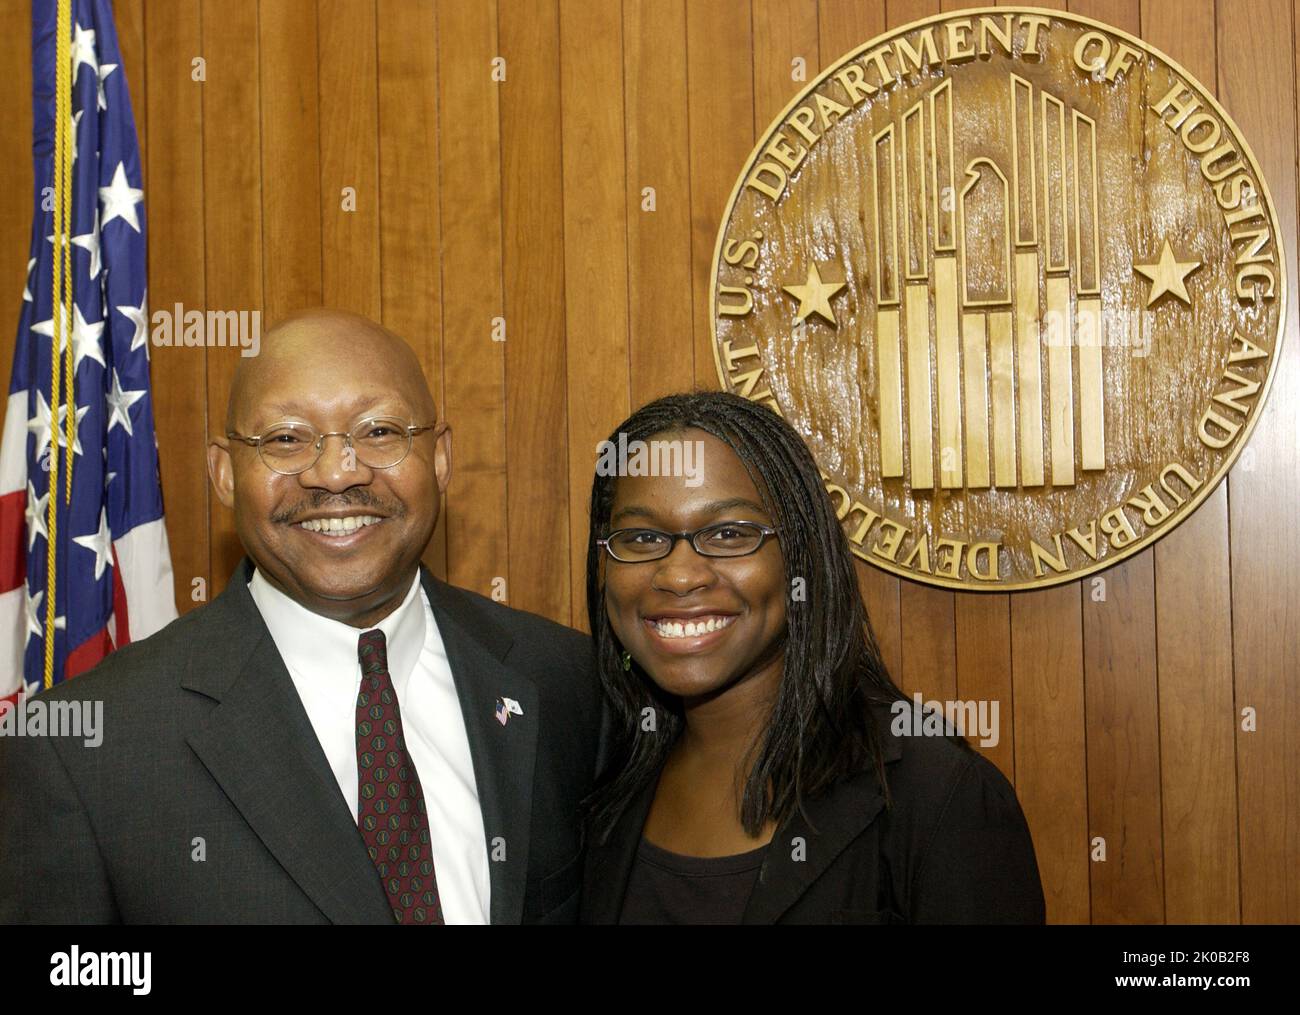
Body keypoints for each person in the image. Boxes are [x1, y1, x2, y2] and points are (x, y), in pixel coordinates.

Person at [0, 308, 603, 924]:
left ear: (441, 456)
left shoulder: (567, 682)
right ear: (224, 473)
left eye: (379, 432)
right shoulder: (78, 750)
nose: (337, 474)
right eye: (286, 438)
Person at [579, 391, 1046, 924]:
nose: (680, 574)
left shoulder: (935, 797)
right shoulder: (594, 781)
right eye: (640, 536)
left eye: (729, 533)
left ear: (801, 555)